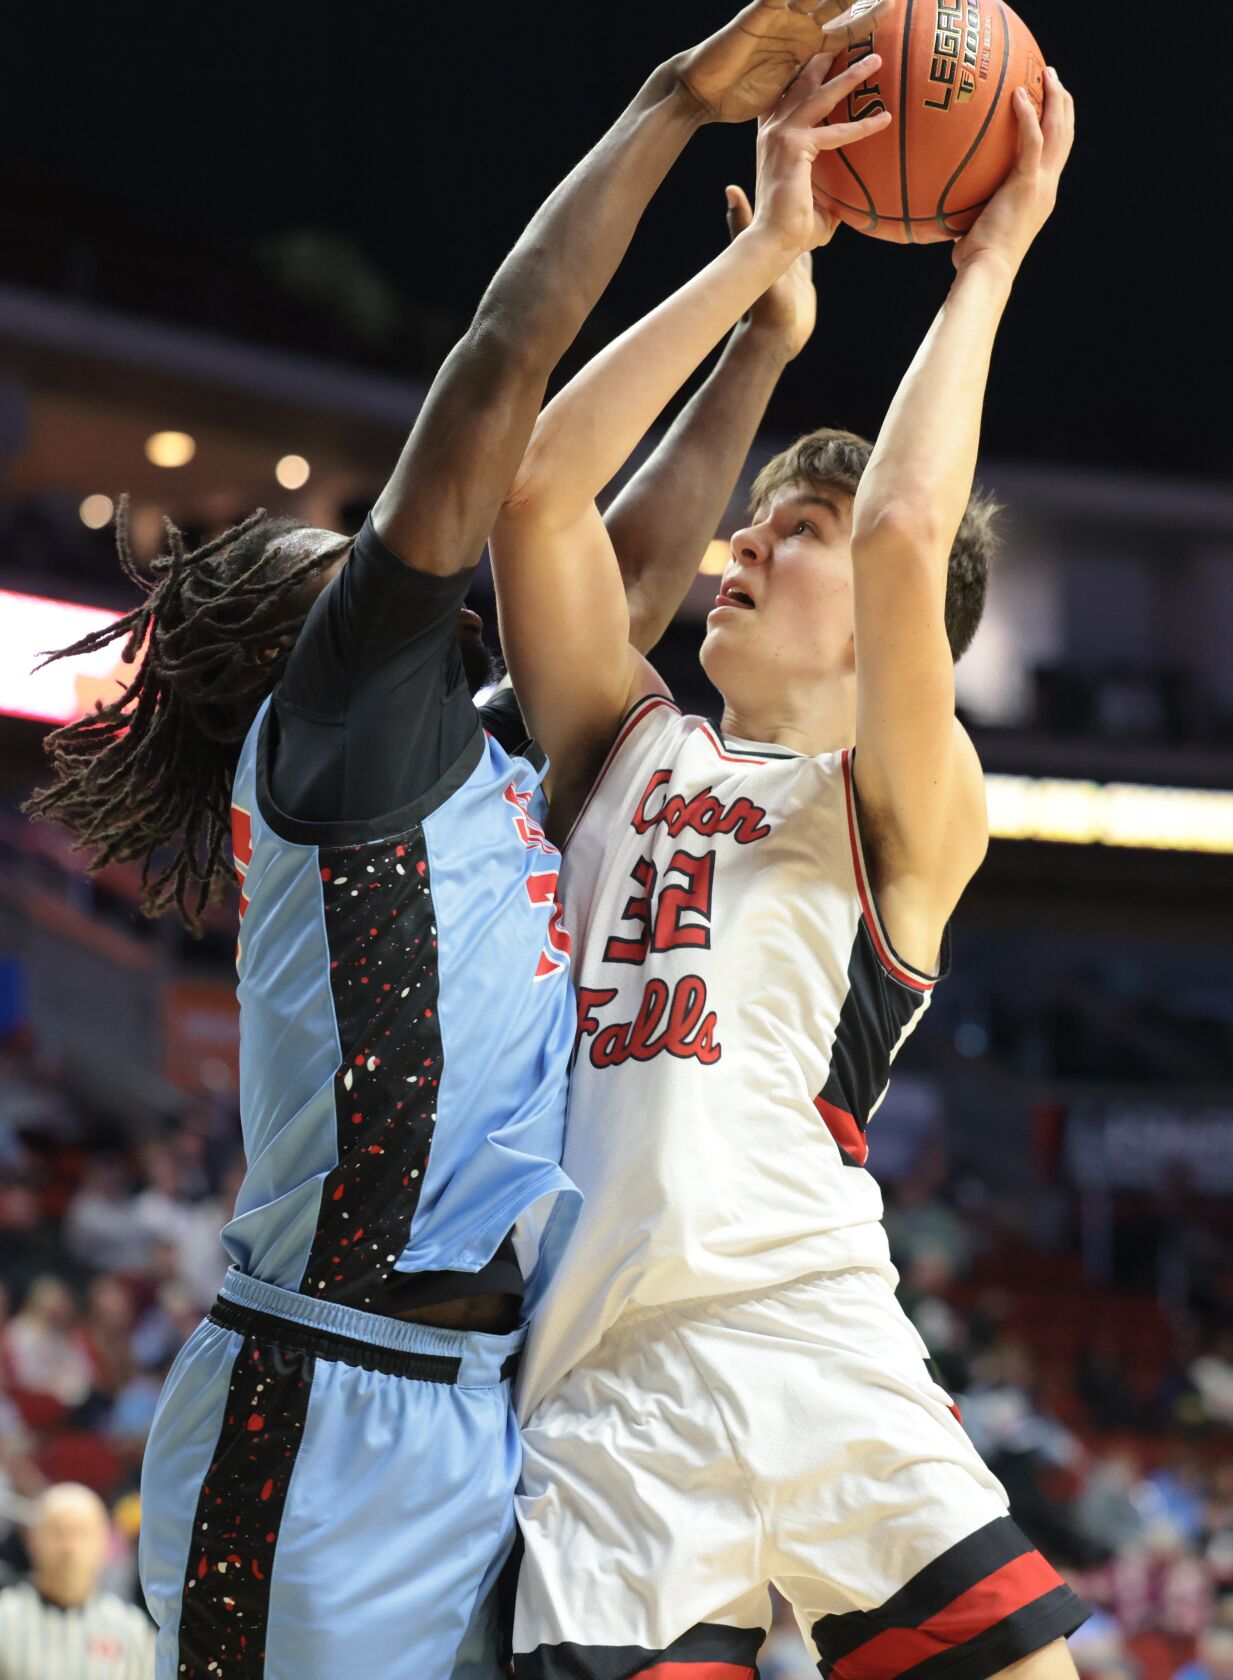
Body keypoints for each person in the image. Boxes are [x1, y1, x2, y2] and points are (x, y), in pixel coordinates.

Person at [25, 7, 890, 1675]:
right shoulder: (334, 728)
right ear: (281, 638)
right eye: (314, 551)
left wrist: (766, 334)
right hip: (314, 1404)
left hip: (472, 1410)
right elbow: (501, 363)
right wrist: (664, 108)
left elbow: (622, 582)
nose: (347, 547)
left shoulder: (470, 754)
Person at [490, 54, 1088, 1680]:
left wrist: (987, 264)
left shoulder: (905, 800)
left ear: (894, 634)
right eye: (748, 526)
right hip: (606, 1378)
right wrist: (754, 269)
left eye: (787, 532)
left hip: (816, 1333)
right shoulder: (624, 741)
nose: (738, 548)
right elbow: (537, 488)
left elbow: (907, 533)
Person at [0, 1483, 154, 1680]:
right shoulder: (5, 1619)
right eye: (57, 1532)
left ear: (104, 1544)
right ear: (33, 1540)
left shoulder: (133, 1631)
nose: (70, 1547)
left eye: (82, 1532)